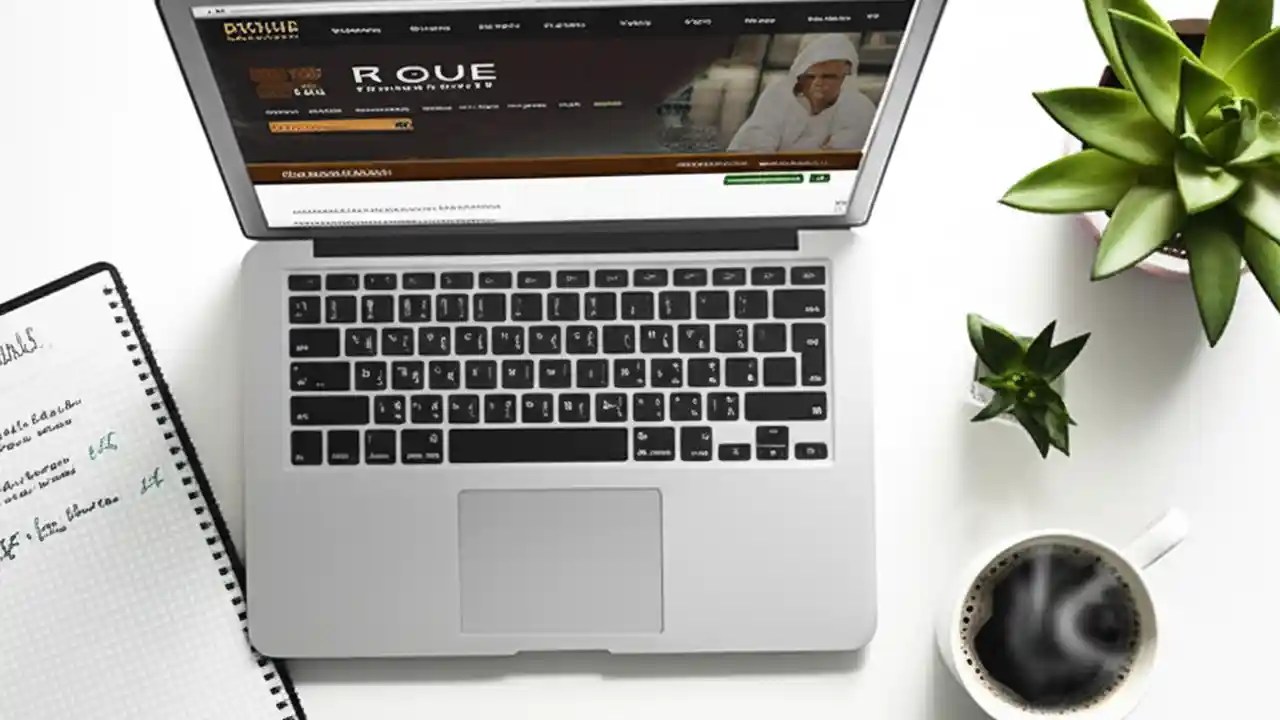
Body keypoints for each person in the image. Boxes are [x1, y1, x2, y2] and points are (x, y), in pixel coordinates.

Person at [728, 34, 877, 153]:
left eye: (828, 77)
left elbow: (838, 160)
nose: (818, 82)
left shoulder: (860, 108)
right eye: (810, 76)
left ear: (844, 76)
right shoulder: (777, 96)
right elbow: (751, 149)